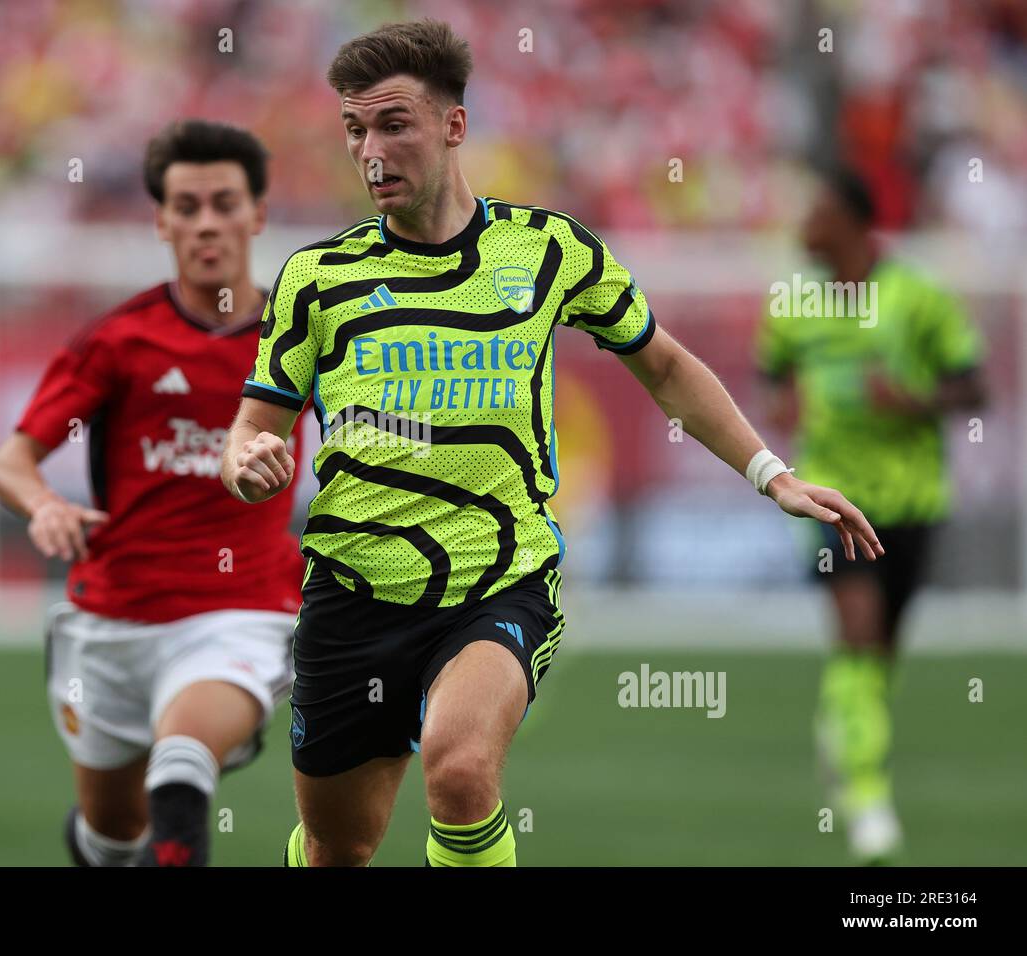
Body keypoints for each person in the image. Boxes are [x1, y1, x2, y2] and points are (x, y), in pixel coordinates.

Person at [222, 20, 881, 867]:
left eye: (394, 125)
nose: (371, 151)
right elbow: (255, 426)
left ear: (455, 126)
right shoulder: (318, 280)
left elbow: (667, 367)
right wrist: (247, 463)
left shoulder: (547, 251)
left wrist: (771, 474)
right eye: (355, 129)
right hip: (353, 591)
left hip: (500, 578)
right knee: (337, 847)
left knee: (459, 772)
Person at [0, 120, 303, 866]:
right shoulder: (121, 341)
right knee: (113, 836)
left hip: (240, 613)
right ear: (160, 220)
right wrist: (46, 506)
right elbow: (11, 461)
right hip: (114, 622)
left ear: (256, 214)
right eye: (186, 206)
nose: (205, 222)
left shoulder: (299, 337)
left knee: (182, 767)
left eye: (224, 202)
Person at [757, 166, 985, 863]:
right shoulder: (791, 303)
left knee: (878, 654)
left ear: (853, 223)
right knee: (857, 634)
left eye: (817, 211)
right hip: (832, 501)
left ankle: (846, 724)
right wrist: (784, 409)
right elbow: (774, 379)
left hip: (912, 502)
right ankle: (866, 801)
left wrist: (912, 401)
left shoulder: (918, 298)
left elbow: (973, 387)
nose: (803, 225)